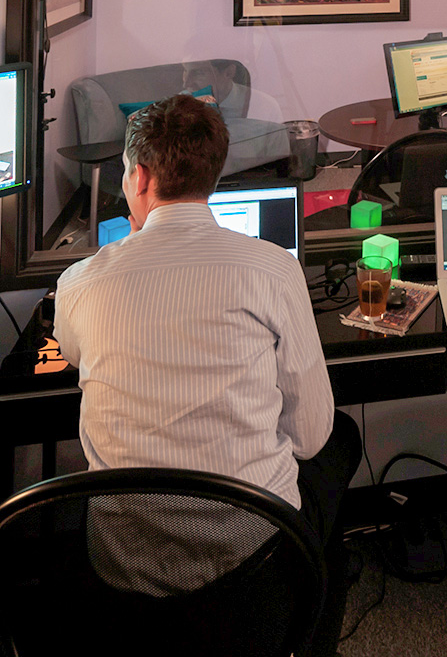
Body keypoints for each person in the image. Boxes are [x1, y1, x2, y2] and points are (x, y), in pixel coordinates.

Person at [54, 94, 360, 653]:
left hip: (122, 563)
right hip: (250, 550)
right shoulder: (273, 268)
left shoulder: (79, 282)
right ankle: (310, 612)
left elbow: (74, 355)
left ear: (139, 176)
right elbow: (310, 438)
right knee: (340, 439)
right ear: (213, 176)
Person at [181, 57, 284, 121]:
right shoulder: (178, 106)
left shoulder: (265, 108)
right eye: (185, 71)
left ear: (229, 72)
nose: (186, 83)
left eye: (199, 73)